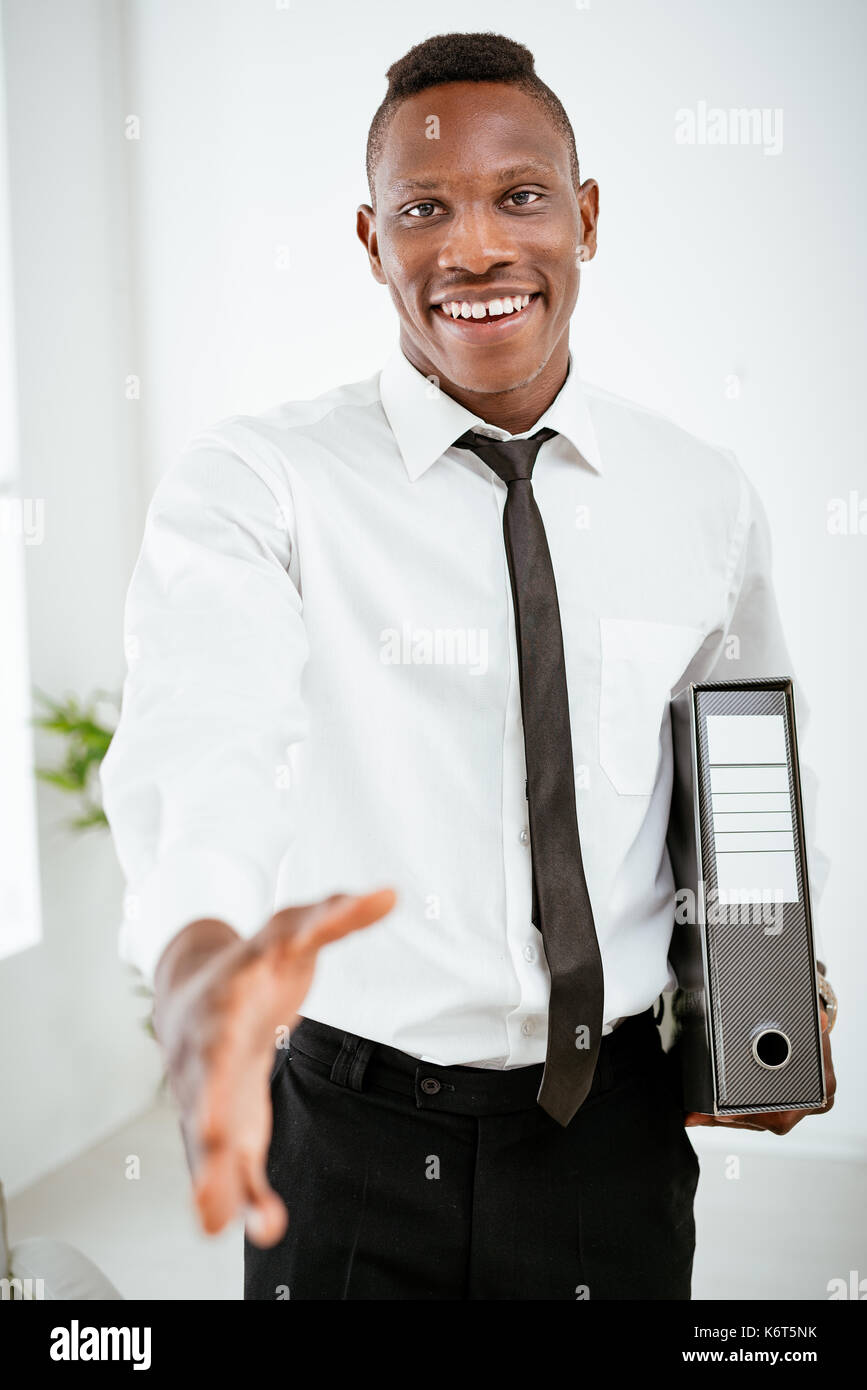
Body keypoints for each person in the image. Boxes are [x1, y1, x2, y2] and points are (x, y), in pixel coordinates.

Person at [100, 31, 836, 1301]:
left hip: (611, 1132)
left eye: (521, 196)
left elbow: (738, 787)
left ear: (587, 216)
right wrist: (197, 947)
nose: (477, 248)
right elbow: (206, 728)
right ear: (372, 241)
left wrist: (771, 998)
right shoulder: (259, 486)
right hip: (350, 1137)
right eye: (425, 209)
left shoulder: (701, 500)